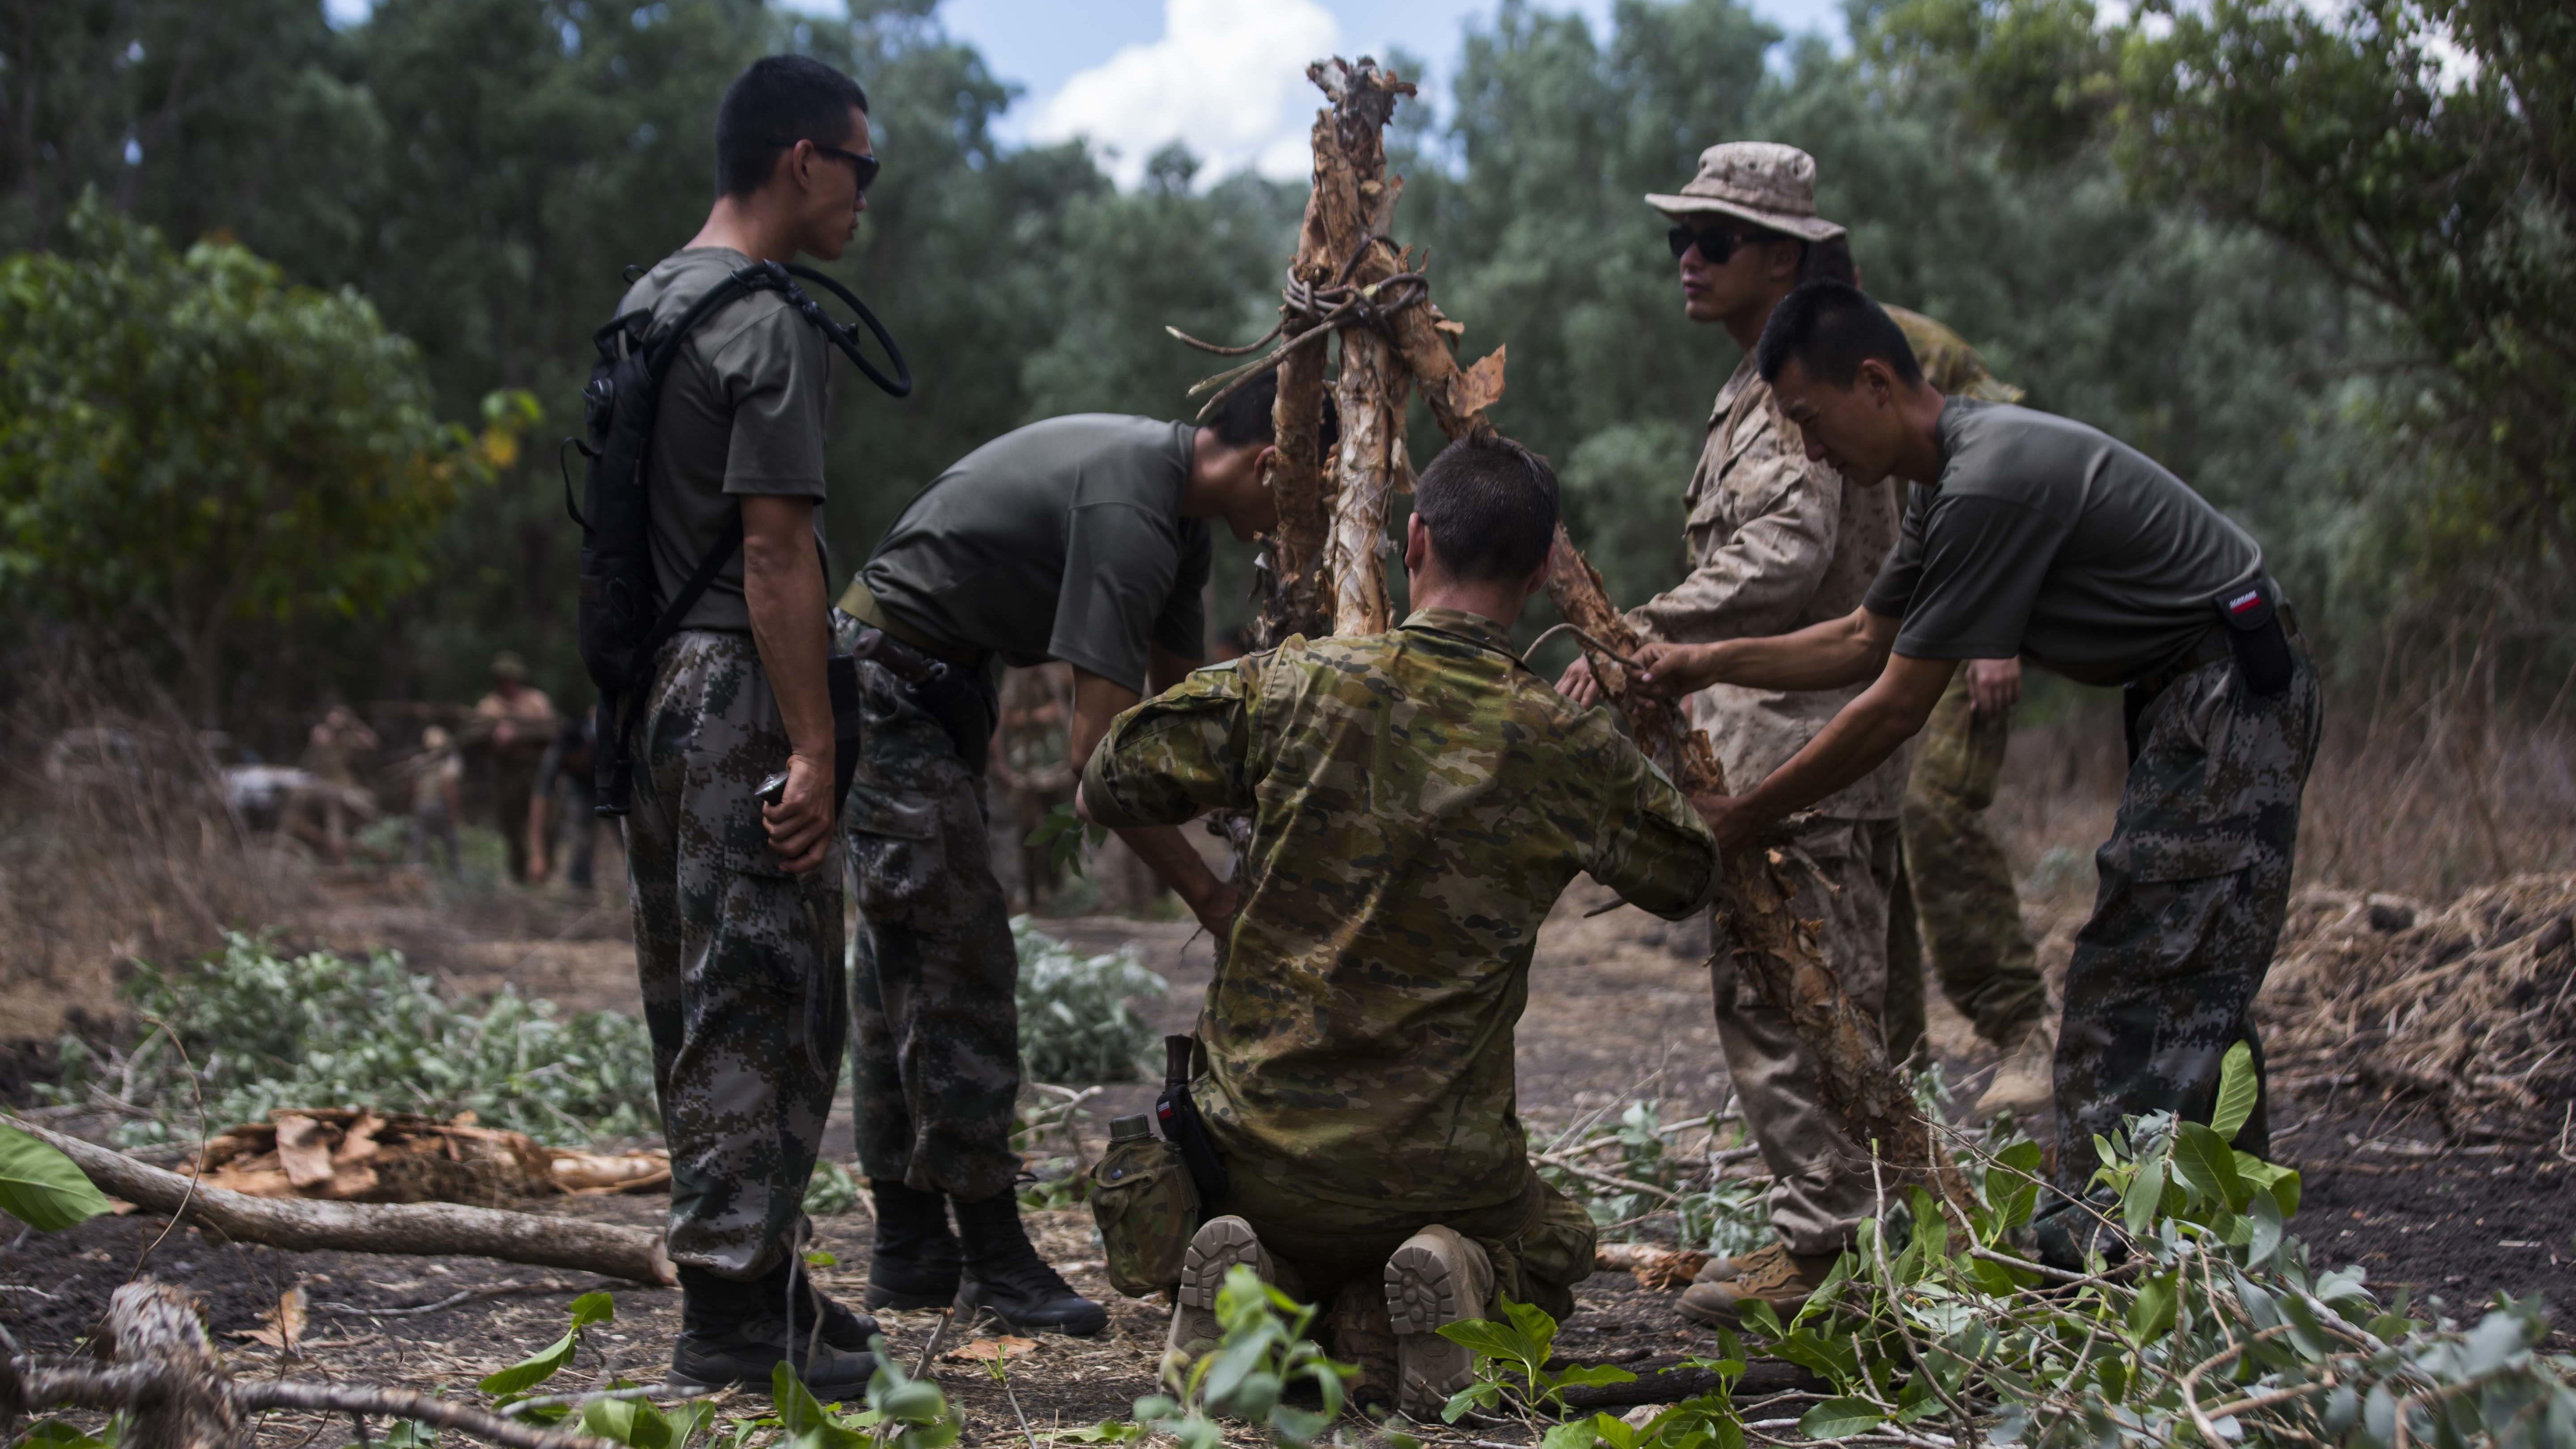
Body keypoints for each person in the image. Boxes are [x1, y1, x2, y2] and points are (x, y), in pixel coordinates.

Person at [1635, 281, 2319, 1270]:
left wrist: (1745, 814)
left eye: (1814, 422)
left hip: (2230, 691)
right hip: (2194, 693)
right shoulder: (1944, 482)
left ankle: (2122, 1243)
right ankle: (2205, 1236)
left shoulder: (1988, 480)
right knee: (2180, 970)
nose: (1812, 450)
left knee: (2142, 976)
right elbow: (1863, 639)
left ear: (1875, 383)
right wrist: (1706, 660)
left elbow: (1894, 706)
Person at [1076, 436, 1718, 1417]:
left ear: (1412, 541)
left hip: (1258, 1151)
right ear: (1546, 570)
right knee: (1559, 1242)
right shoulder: (1561, 743)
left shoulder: (1293, 687)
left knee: (1246, 1205)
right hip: (1441, 1171)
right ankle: (1448, 1282)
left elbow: (1112, 772)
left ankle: (1262, 1291)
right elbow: (1687, 874)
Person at [835, 374, 1326, 1336]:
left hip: (923, 684)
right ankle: (990, 1255)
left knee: (901, 959)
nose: (1291, 526)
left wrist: (1270, 816)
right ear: (1268, 461)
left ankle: (909, 1248)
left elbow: (1178, 728)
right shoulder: (1135, 513)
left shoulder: (1179, 520)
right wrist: (1207, 895)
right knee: (959, 961)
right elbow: (1098, 765)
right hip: (887, 683)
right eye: (1300, 498)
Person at [1553, 141, 1909, 1329]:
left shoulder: (1790, 390)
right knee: (1824, 996)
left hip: (1800, 747)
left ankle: (1831, 1259)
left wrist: (1637, 635)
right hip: (1781, 736)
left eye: (1712, 240)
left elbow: (1788, 557)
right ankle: (1874, 1240)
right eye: (1680, 241)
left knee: (1790, 994)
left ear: (1782, 256)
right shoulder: (1755, 385)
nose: (1688, 262)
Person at [614, 53, 883, 1395]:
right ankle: (726, 1321)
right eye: (860, 171)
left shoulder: (653, 300)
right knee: (764, 995)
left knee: (696, 988)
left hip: (653, 692)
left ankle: (762, 1276)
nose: (862, 203)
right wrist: (816, 743)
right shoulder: (765, 319)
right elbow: (778, 556)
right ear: (800, 161)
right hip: (736, 689)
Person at [1870, 307, 2053, 1121]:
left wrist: (1998, 621)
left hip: (1958, 616)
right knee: (1870, 841)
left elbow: (2010, 440)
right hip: (1865, 631)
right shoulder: (1759, 376)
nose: (1694, 261)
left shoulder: (1898, 342)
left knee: (1932, 806)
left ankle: (2022, 1036)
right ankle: (1897, 1083)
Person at [472, 653, 557, 884]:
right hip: (505, 773)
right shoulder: (489, 706)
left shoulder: (536, 701)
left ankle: (545, 870)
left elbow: (551, 731)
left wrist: (518, 735)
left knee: (546, 822)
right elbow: (475, 738)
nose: (506, 683)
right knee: (510, 824)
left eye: (510, 678)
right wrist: (494, 735)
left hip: (535, 771)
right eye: (502, 678)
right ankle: (519, 873)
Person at [529, 712, 600, 893]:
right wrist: (538, 855)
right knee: (580, 832)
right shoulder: (555, 755)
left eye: (577, 757)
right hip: (581, 787)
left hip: (614, 779)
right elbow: (540, 801)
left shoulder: (604, 740)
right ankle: (580, 886)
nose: (574, 761)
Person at [408, 725, 464, 874]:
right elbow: (448, 786)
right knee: (450, 839)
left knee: (420, 839)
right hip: (439, 804)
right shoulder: (449, 762)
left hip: (421, 804)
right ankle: (455, 873)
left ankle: (419, 870)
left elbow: (414, 787)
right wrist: (454, 810)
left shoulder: (419, 761)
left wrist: (414, 803)